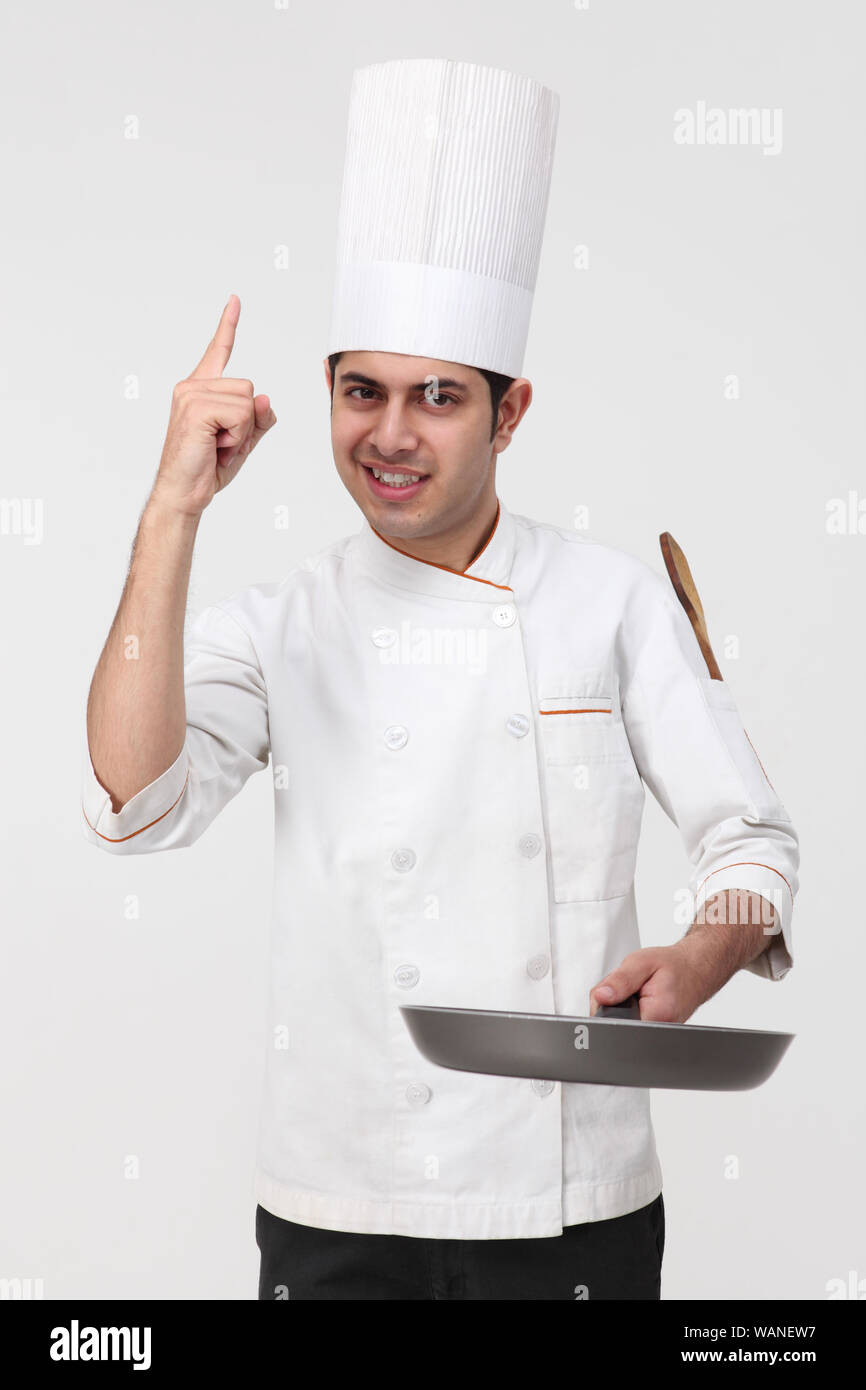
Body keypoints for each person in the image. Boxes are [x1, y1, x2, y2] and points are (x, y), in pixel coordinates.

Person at [81, 60, 799, 1301]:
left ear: (509, 412)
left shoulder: (608, 599)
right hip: (334, 1199)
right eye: (362, 391)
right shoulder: (280, 622)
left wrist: (699, 956)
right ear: (323, 394)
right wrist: (170, 510)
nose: (391, 435)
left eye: (438, 399)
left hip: (570, 1200)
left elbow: (751, 847)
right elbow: (132, 804)